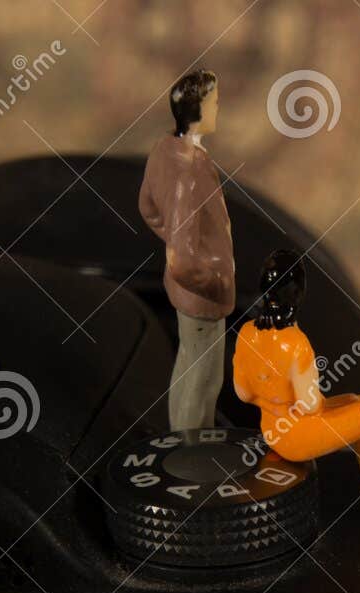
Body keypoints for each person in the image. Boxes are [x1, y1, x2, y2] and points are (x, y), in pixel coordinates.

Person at [233, 250, 360, 520]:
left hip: (271, 429)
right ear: (297, 294)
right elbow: (310, 404)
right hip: (296, 437)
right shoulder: (295, 343)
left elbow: (242, 392)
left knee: (356, 399)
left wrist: (273, 399)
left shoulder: (247, 333)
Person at [138, 68, 234, 431]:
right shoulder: (188, 170)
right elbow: (181, 261)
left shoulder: (166, 149)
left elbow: (147, 206)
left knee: (187, 363)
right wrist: (213, 277)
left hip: (186, 291)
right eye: (214, 102)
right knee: (205, 379)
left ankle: (180, 435)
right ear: (199, 110)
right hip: (201, 292)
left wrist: (176, 240)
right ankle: (192, 449)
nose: (218, 108)